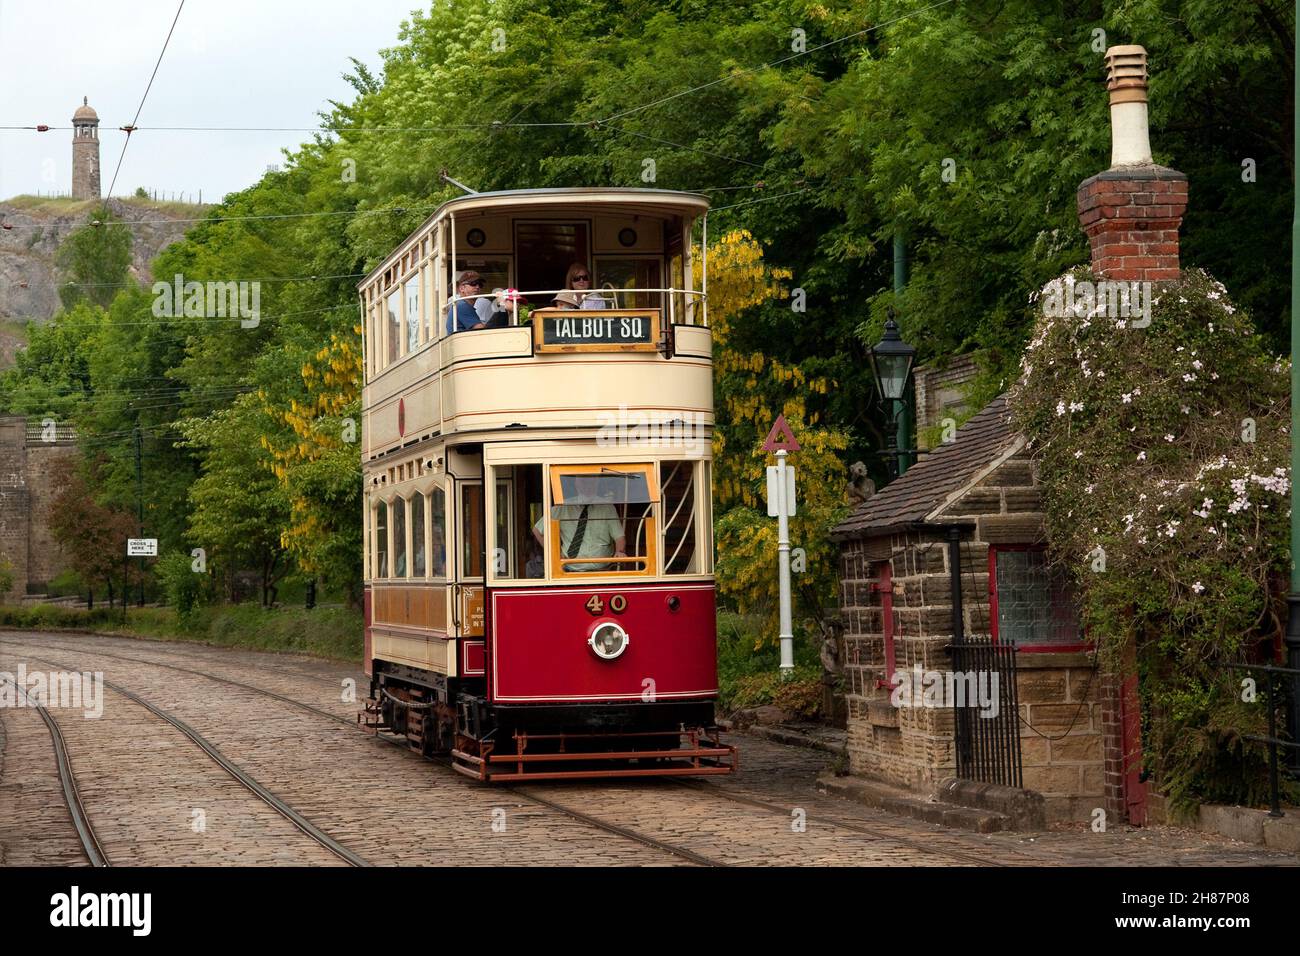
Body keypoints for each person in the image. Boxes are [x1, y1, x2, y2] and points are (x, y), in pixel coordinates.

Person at [532, 474, 627, 572]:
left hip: (602, 571)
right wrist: (554, 553)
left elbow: (619, 537)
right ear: (576, 484)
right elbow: (537, 530)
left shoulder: (607, 507)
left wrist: (619, 552)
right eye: (583, 482)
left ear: (597, 483)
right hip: (569, 571)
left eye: (591, 482)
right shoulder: (563, 506)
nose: (587, 485)